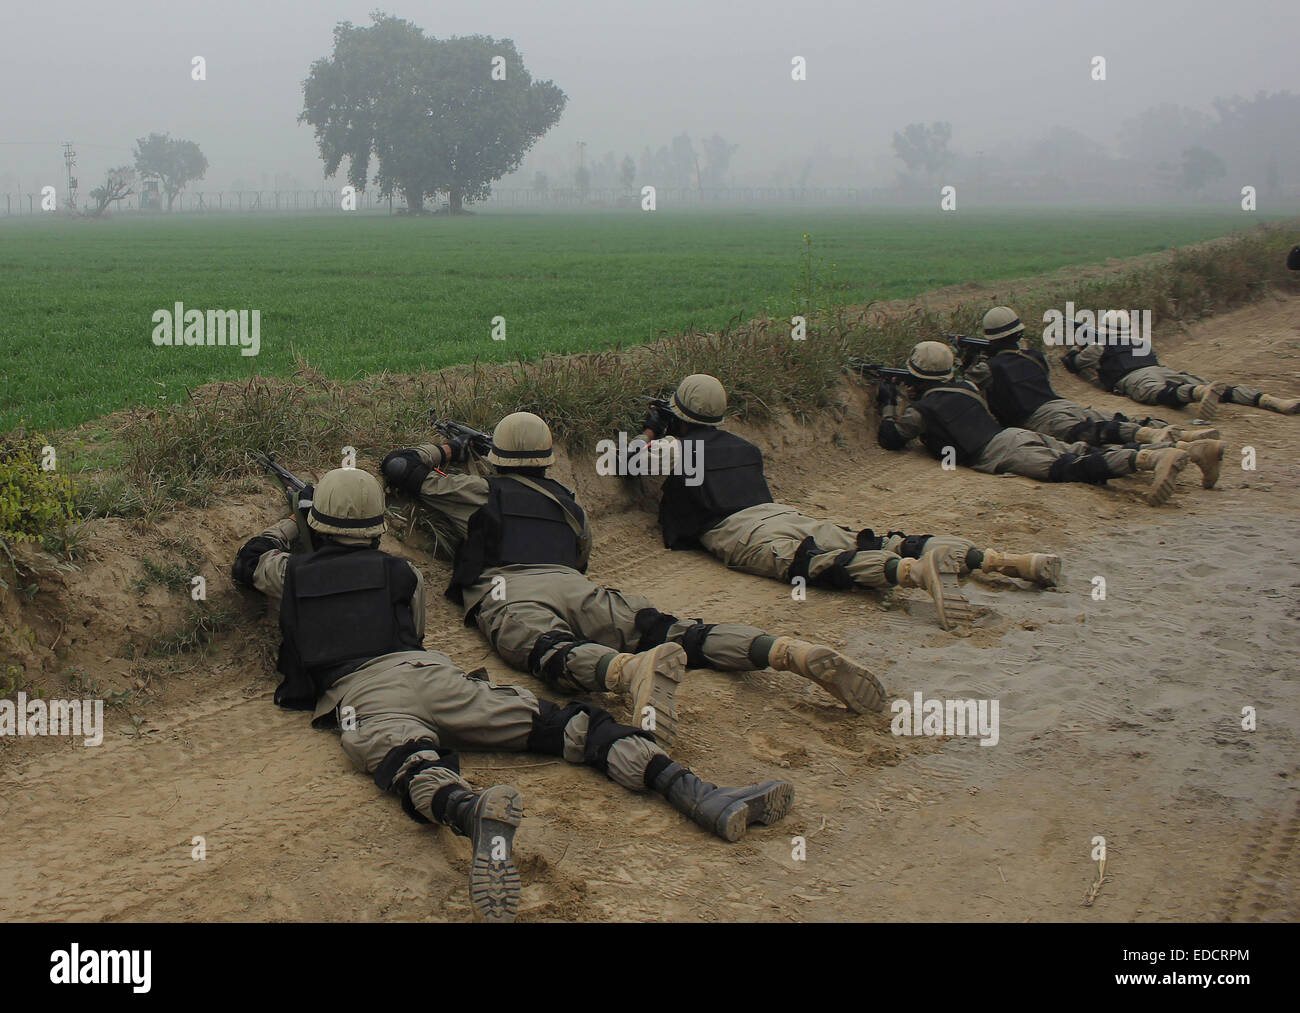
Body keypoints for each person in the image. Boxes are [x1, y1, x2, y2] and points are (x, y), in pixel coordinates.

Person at [232, 467, 794, 923]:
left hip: (363, 695)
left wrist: (287, 526)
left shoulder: (291, 573)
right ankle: (696, 790)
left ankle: (473, 812)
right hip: (436, 676)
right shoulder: (401, 571)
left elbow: (248, 563)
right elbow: (416, 631)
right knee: (572, 728)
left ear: (320, 524)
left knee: (409, 762)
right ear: (378, 525)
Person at [381, 413, 887, 729]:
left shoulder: (480, 491)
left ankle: (625, 672)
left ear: (499, 458)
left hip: (511, 590)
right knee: (670, 629)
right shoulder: (570, 502)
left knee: (548, 652)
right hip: (577, 584)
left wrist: (444, 451)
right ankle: (783, 651)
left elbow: (399, 468)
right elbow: (582, 556)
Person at [630, 374, 1066, 633]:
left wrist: (649, 431)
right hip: (787, 514)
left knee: (818, 565)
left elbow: (628, 462)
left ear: (680, 414)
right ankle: (1002, 560)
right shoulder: (744, 445)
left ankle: (913, 574)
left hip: (741, 531)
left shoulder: (676, 449)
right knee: (876, 538)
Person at [878, 341, 1197, 506]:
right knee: (1081, 449)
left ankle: (1149, 457)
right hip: (1014, 436)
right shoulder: (966, 388)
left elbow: (892, 437)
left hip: (1001, 453)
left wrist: (889, 403)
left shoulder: (921, 410)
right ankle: (1173, 447)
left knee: (1071, 468)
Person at [964, 305, 1223, 488]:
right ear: (1018, 333)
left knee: (1096, 445)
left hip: (1040, 419)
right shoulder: (1034, 357)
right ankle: (1185, 438)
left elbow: (965, 388)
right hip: (1063, 404)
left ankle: (1176, 450)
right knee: (1116, 423)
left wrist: (967, 359)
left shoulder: (987, 368)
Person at [1063, 310, 1300, 417]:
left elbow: (1075, 364)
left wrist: (1077, 345)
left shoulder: (1101, 343)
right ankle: (1270, 400)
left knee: (1162, 394)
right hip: (1162, 370)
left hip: (1136, 378)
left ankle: (1198, 393)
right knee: (1221, 389)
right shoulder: (1139, 340)